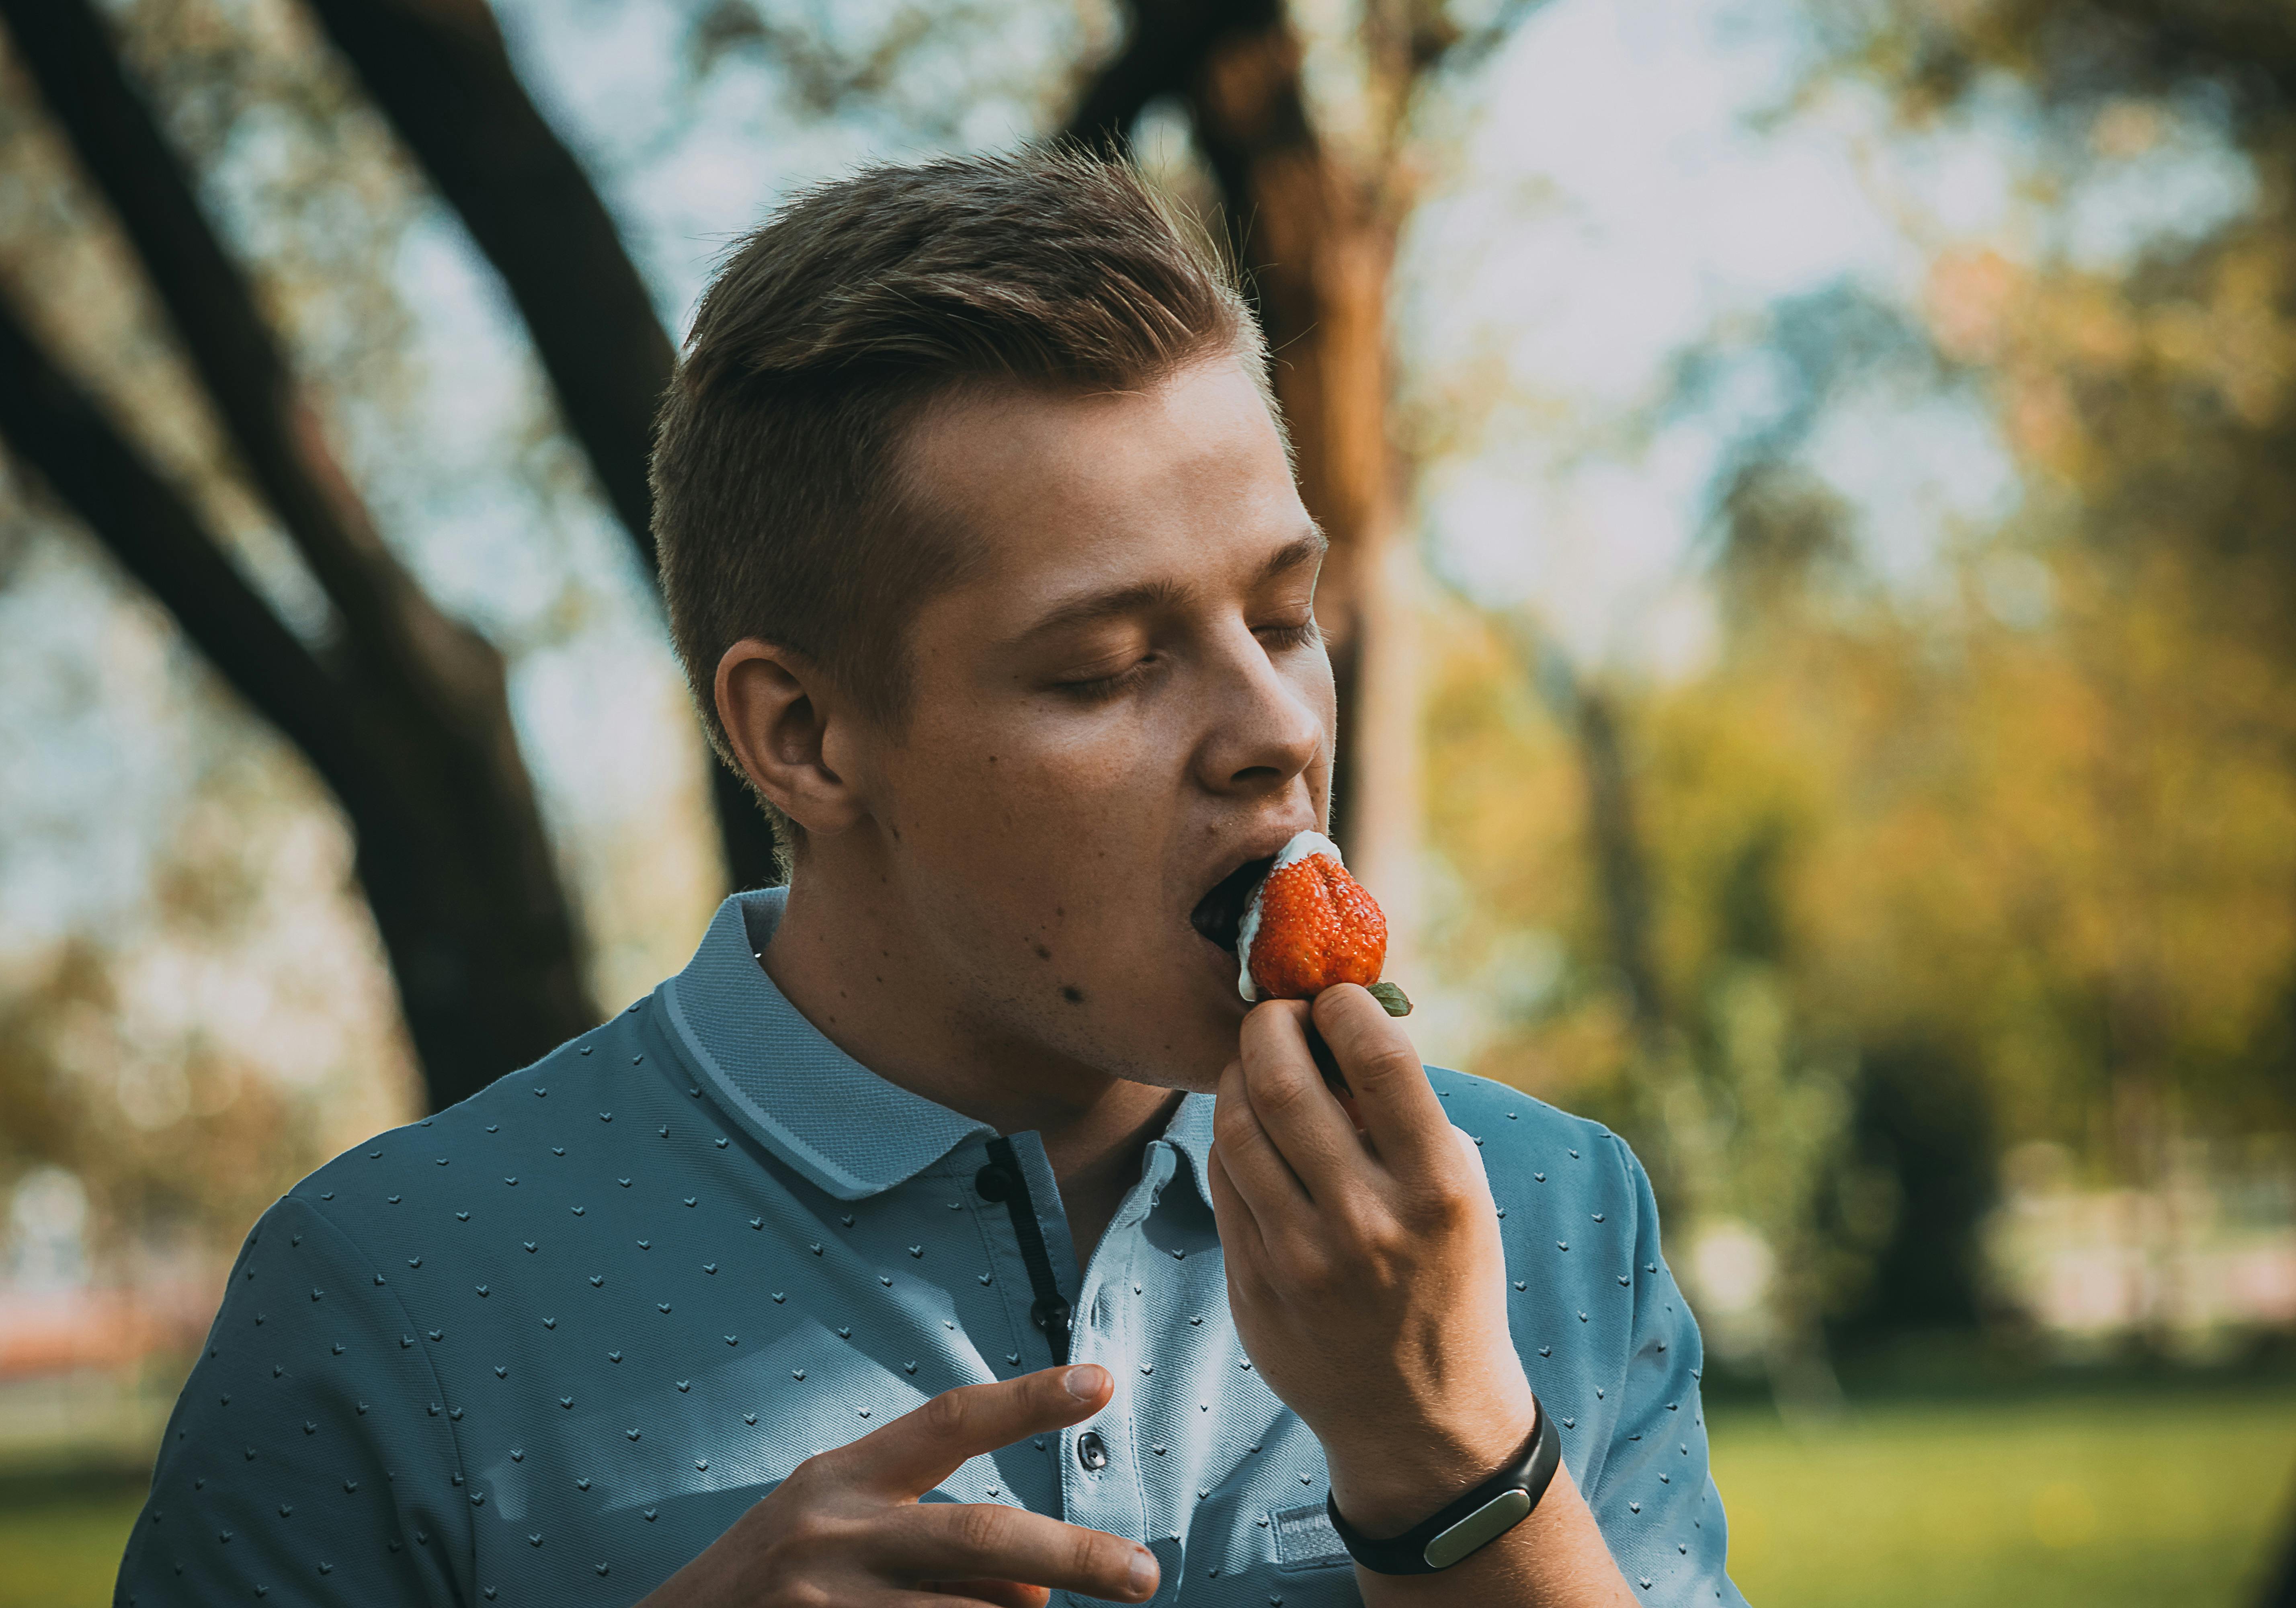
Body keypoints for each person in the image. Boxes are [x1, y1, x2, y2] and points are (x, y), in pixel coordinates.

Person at [115, 149, 1742, 1607]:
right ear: (804, 736)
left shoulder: (1545, 1215)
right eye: (1108, 667)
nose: (1270, 732)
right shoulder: (385, 1303)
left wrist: (1459, 1464)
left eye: (1281, 615)